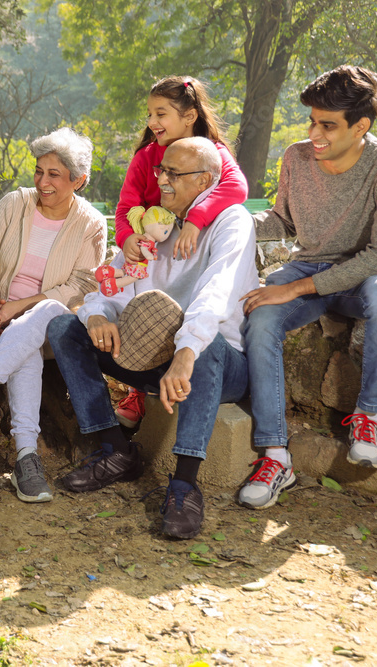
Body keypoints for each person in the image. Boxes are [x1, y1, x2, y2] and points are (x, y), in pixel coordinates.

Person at [46, 137, 258, 538]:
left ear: (205, 181)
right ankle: (115, 450)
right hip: (154, 359)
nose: (161, 180)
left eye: (174, 174)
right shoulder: (153, 225)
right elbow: (107, 290)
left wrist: (185, 353)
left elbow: (214, 297)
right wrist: (95, 318)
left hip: (216, 364)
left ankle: (184, 485)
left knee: (206, 342)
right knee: (63, 328)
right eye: (162, 170)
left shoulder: (232, 221)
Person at [238, 66, 377, 510]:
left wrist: (297, 290)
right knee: (260, 318)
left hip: (363, 276)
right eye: (312, 121)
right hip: (309, 268)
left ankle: (366, 417)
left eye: (327, 125)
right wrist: (226, 222)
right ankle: (276, 456)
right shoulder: (296, 157)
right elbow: (283, 221)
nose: (314, 133)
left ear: (361, 127)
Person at [0, 127, 106, 501]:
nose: (42, 182)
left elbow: (80, 287)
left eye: (54, 175)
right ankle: (27, 457)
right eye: (39, 171)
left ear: (80, 180)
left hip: (54, 327)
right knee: (23, 349)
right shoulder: (14, 204)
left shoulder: (92, 222)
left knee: (43, 311)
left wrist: (18, 307)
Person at [109, 75, 249, 433]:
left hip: (190, 257)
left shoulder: (213, 154)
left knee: (193, 318)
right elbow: (126, 206)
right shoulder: (145, 157)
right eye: (150, 114)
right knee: (137, 308)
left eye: (162, 113)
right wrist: (126, 238)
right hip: (155, 256)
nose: (153, 122)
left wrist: (195, 221)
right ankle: (139, 387)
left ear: (189, 116)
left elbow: (236, 187)